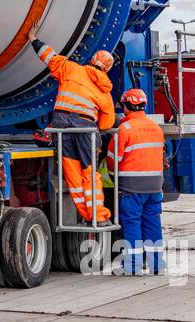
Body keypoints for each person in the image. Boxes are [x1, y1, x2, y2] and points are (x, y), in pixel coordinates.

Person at [28, 29, 115, 223]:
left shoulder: (71, 69)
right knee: (89, 173)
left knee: (72, 174)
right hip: (85, 129)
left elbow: (50, 57)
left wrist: (33, 39)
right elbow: (107, 123)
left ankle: (86, 215)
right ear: (107, 69)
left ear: (92, 60)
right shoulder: (105, 92)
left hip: (60, 126)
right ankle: (97, 216)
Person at [107, 88, 166, 274]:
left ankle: (133, 267)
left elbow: (112, 159)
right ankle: (157, 266)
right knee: (153, 225)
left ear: (126, 107)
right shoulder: (156, 128)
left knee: (132, 226)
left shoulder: (124, 130)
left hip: (131, 188)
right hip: (155, 187)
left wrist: (112, 177)